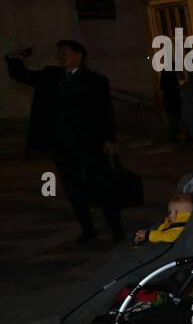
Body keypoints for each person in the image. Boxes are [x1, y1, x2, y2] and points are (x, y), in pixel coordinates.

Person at [6, 40, 122, 243]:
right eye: (60, 52)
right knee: (73, 188)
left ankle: (116, 228)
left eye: (66, 52)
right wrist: (15, 59)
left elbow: (105, 112)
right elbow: (22, 75)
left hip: (90, 144)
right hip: (62, 145)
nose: (61, 56)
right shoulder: (52, 75)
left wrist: (109, 139)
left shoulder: (96, 81)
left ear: (79, 56)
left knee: (101, 186)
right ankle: (88, 228)